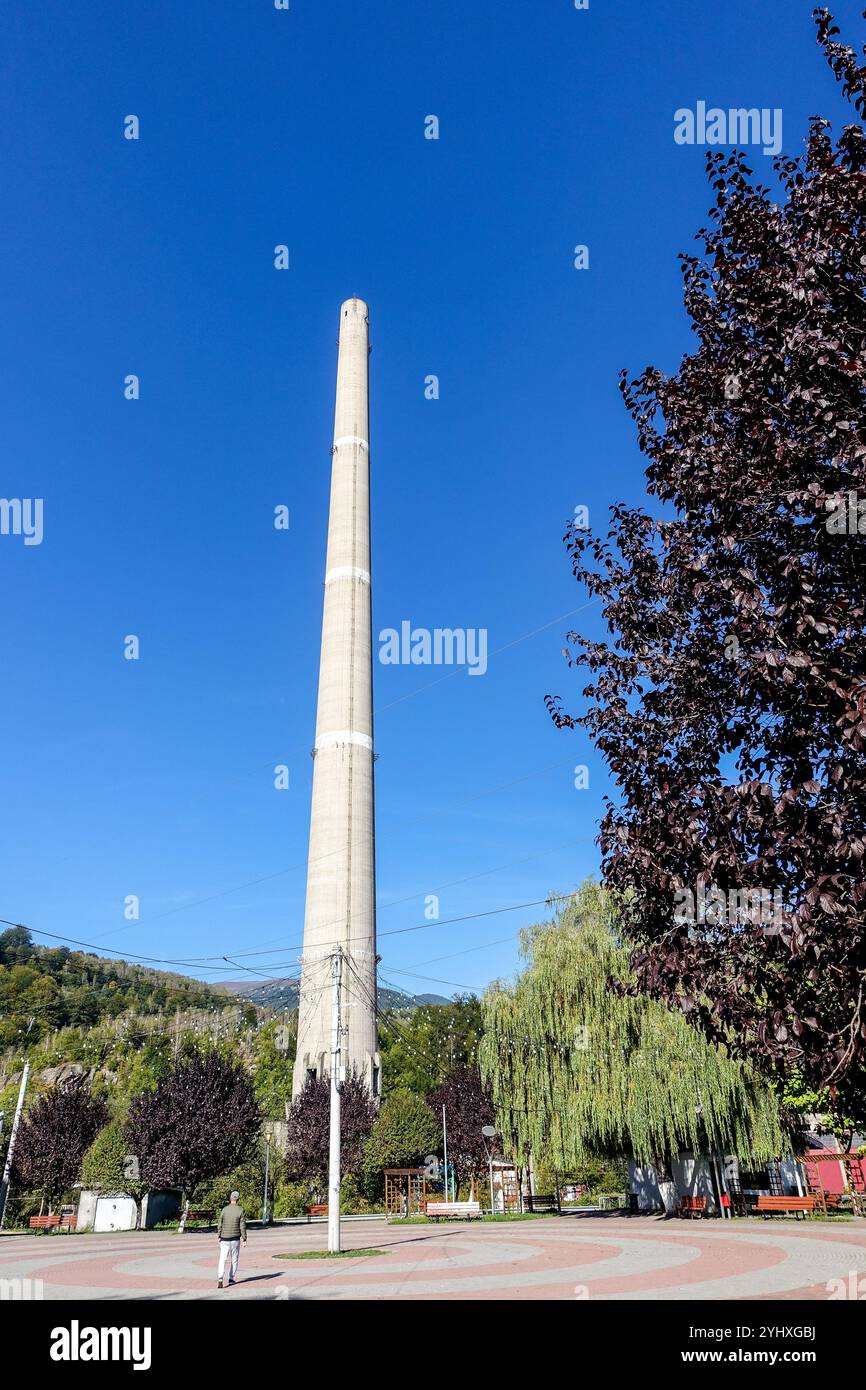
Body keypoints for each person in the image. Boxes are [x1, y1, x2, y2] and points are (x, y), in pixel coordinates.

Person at [217, 1191, 247, 1288]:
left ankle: (220, 1278)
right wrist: (244, 1238)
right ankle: (231, 1278)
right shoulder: (240, 1210)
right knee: (234, 1259)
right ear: (238, 1199)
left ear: (230, 1198)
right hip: (235, 1238)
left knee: (222, 1259)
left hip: (224, 1238)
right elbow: (242, 1226)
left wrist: (219, 1235)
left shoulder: (224, 1209)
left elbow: (220, 1223)